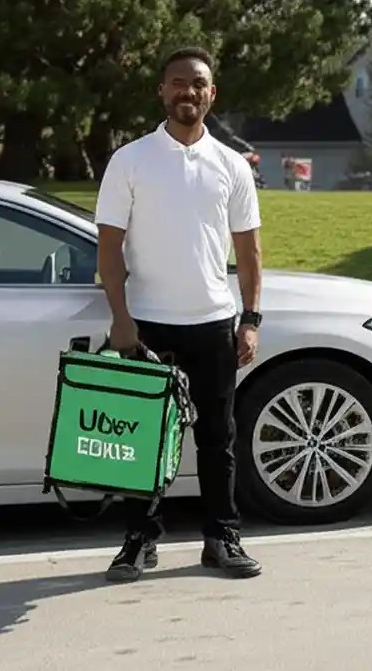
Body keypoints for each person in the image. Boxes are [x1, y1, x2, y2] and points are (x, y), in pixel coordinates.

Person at [93, 46, 264, 582]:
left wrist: (250, 319)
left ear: (212, 94)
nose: (187, 92)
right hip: (147, 325)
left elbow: (250, 251)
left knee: (218, 439)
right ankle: (139, 541)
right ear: (161, 91)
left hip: (213, 323)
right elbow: (108, 249)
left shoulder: (232, 165)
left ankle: (221, 538)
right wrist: (121, 318)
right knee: (140, 441)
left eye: (198, 84)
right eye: (177, 83)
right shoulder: (130, 160)